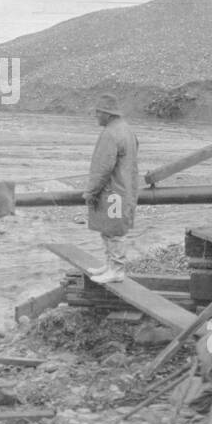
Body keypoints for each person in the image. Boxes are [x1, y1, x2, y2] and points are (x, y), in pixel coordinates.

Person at [83, 94, 139, 284]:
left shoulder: (110, 134)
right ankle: (110, 265)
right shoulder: (126, 130)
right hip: (124, 189)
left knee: (114, 231)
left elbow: (102, 168)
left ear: (107, 114)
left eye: (98, 112)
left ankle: (116, 269)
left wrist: (90, 191)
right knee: (110, 229)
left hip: (114, 192)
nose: (96, 116)